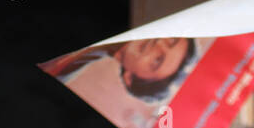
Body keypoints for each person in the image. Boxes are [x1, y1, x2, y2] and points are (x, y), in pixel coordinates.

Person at [49, 37, 197, 102]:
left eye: (157, 59)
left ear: (130, 78)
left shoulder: (60, 69)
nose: (159, 43)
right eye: (171, 40)